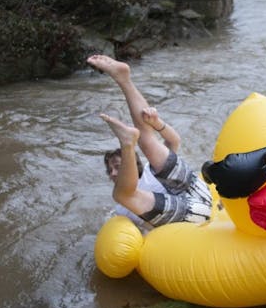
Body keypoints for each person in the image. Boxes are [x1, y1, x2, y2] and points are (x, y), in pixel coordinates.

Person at [89, 54, 212, 232]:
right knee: (147, 138)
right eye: (110, 170)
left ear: (133, 163)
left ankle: (127, 142)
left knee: (123, 194)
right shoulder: (147, 178)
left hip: (194, 209)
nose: (113, 173)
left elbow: (173, 141)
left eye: (117, 166)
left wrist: (156, 122)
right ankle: (124, 80)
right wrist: (155, 124)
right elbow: (173, 141)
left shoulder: (128, 200)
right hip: (200, 200)